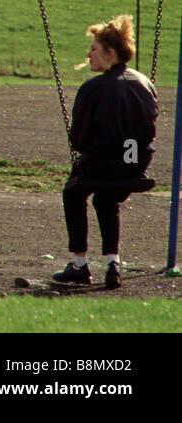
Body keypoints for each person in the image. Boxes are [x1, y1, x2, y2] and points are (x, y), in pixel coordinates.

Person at [52, 16, 158, 290]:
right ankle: (113, 263)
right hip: (135, 167)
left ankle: (79, 264)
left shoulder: (92, 88)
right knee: (107, 199)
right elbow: (148, 129)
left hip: (101, 167)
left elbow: (78, 140)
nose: (88, 54)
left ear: (110, 53)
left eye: (94, 48)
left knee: (74, 192)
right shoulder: (145, 83)